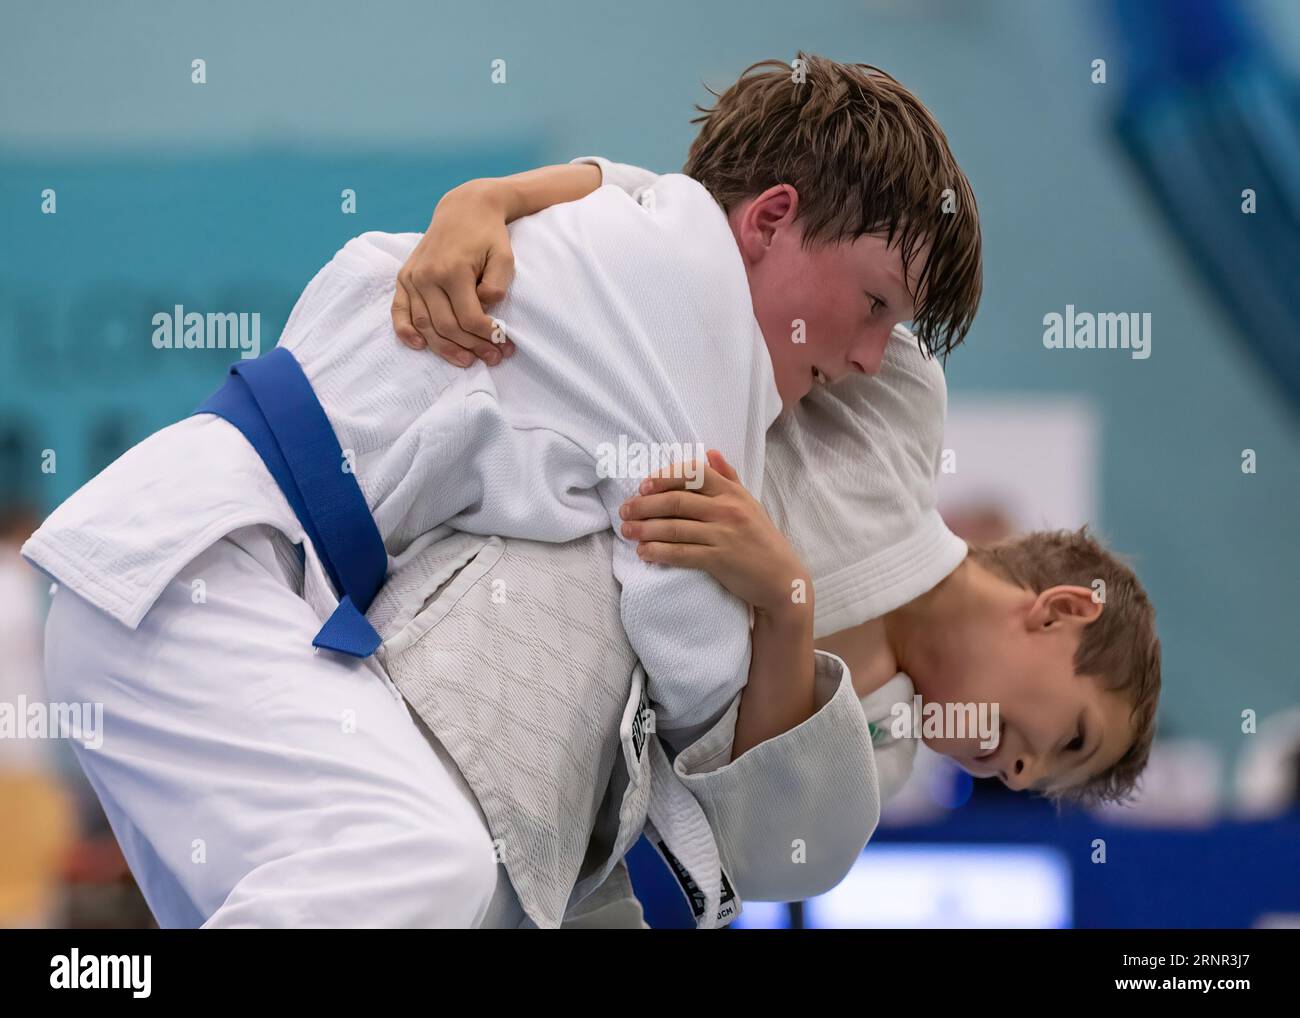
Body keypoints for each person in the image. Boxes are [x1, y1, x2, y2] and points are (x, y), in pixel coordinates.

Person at [26, 54, 990, 928]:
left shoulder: (630, 234)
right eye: (874, 305)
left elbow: (661, 193)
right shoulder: (690, 292)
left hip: (181, 586)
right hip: (190, 578)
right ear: (770, 219)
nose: (869, 358)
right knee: (427, 859)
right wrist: (760, 676)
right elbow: (686, 633)